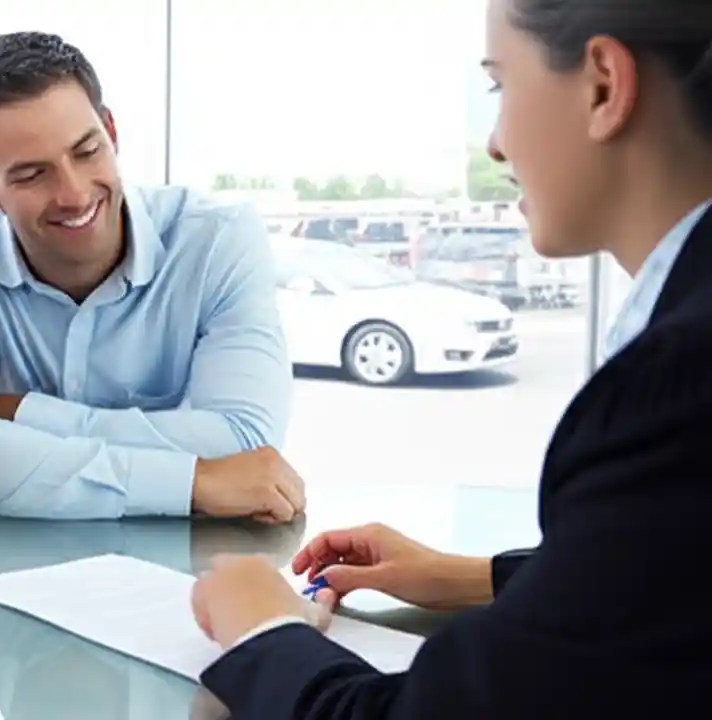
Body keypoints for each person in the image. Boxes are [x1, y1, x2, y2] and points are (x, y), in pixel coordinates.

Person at [189, 0, 712, 717]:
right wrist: (468, 577)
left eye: (499, 85)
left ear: (602, 86)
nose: (494, 144)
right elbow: (671, 573)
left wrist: (262, 630)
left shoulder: (676, 386)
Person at [0, 32, 302, 522]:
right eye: (32, 175)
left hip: (175, 570)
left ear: (111, 132)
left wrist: (23, 414)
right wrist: (193, 480)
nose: (75, 193)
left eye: (87, 151)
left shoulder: (217, 240)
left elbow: (243, 439)